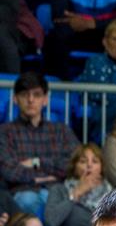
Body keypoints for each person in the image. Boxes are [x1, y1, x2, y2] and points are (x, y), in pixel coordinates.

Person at [0, 74, 78, 214]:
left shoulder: (61, 130)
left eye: (36, 95)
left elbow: (74, 164)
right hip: (22, 192)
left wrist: (36, 162)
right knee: (29, 200)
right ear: (15, 99)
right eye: (25, 95)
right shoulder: (5, 132)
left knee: (65, 202)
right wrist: (44, 177)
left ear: (45, 100)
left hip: (58, 191)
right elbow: (8, 171)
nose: (31, 100)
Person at [45, 145, 110, 226]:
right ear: (74, 167)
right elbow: (51, 220)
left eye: (95, 161)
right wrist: (75, 194)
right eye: (83, 161)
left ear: (101, 168)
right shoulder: (60, 191)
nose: (89, 166)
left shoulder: (111, 195)